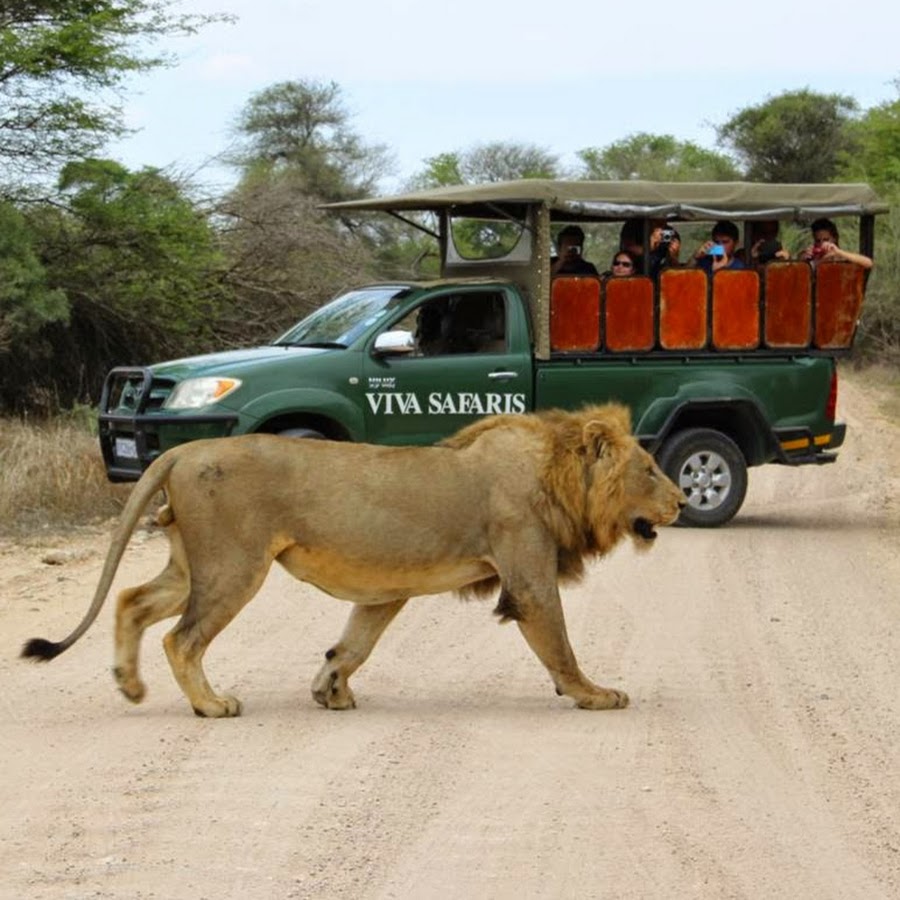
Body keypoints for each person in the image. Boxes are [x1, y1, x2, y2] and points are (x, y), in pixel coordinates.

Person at [799, 218, 873, 269]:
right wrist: (802, 262)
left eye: (826, 239)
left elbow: (868, 263)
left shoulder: (842, 257)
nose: (822, 243)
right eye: (818, 241)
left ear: (834, 238)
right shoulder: (812, 259)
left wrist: (838, 252)